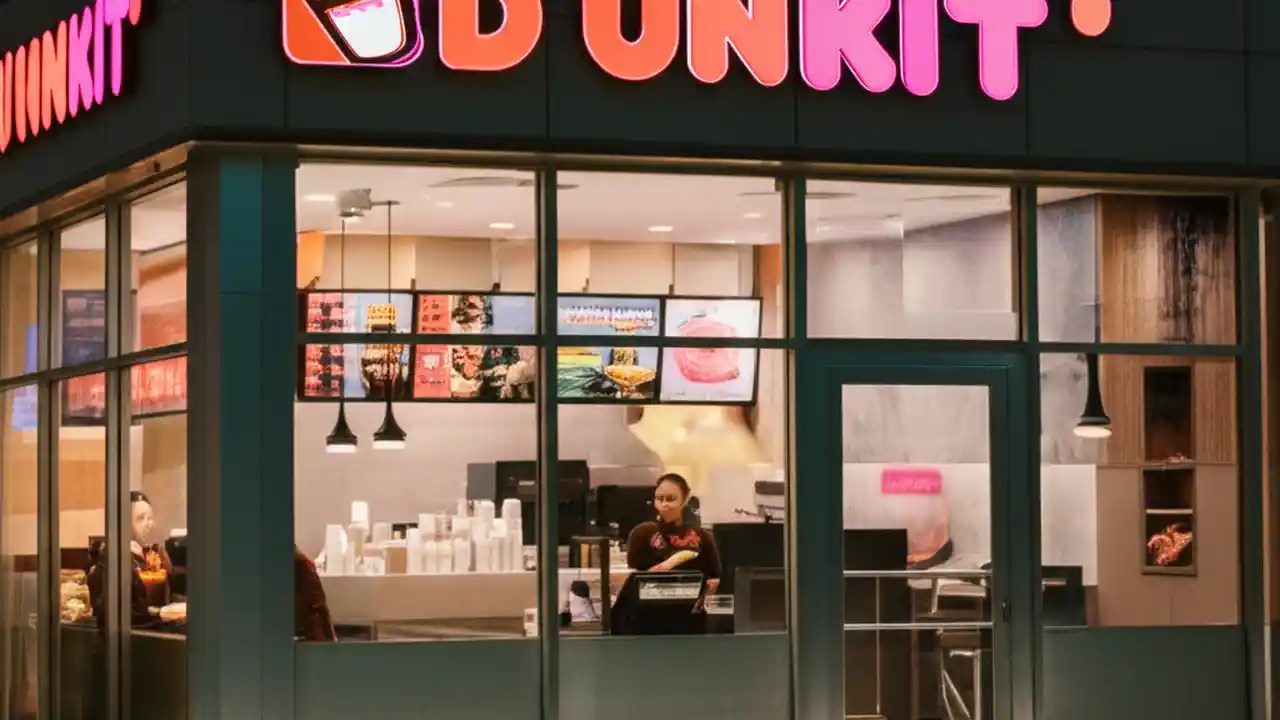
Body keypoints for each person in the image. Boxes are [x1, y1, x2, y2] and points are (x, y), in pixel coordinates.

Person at [87, 491, 174, 629]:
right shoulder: (113, 557)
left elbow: (168, 589)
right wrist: (160, 613)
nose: (148, 524)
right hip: (133, 633)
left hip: (157, 623)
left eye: (150, 518)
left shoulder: (152, 552)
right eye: (141, 518)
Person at [626, 473, 722, 594]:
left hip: (691, 606)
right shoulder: (642, 533)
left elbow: (714, 579)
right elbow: (634, 579)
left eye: (671, 499)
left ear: (685, 499)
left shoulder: (703, 537)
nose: (664, 504)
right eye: (659, 499)